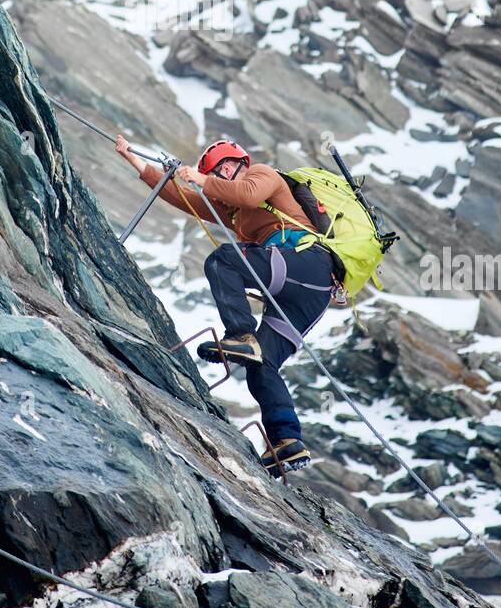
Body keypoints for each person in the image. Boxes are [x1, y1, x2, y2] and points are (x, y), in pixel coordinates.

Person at [116, 135, 337, 475]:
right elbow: (184, 199)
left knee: (223, 261)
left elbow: (247, 193)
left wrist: (203, 178)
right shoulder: (231, 212)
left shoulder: (263, 174)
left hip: (304, 261)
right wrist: (136, 161)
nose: (225, 172)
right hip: (306, 290)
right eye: (219, 169)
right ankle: (286, 442)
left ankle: (240, 334)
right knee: (261, 364)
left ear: (241, 163)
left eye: (228, 165)